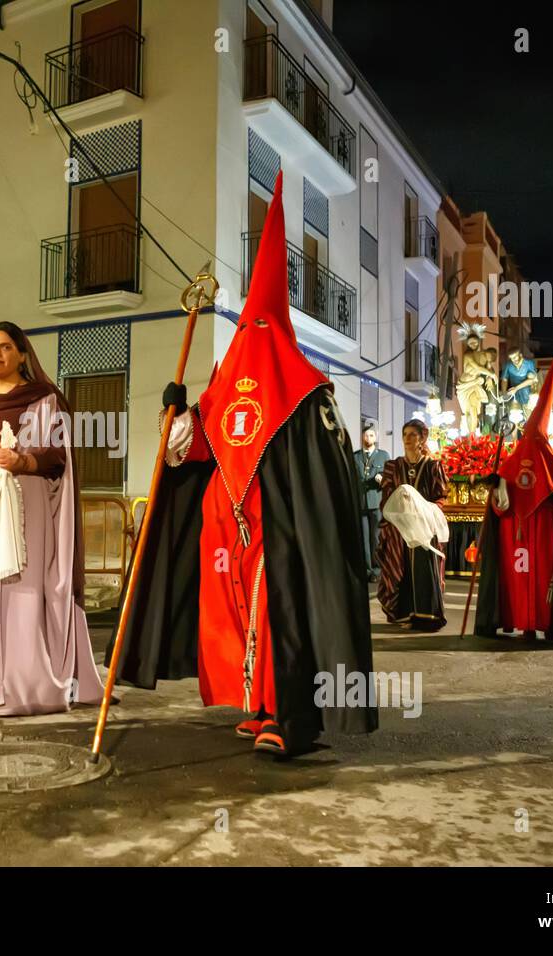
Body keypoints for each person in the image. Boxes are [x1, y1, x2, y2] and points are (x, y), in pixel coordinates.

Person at [114, 172, 375, 756]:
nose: (252, 335)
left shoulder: (307, 391)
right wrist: (175, 416)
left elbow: (322, 481)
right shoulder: (224, 384)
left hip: (281, 533)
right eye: (247, 326)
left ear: (278, 328)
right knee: (237, 623)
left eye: (263, 325)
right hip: (225, 532)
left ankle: (292, 719)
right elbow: (189, 451)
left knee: (283, 618)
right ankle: (258, 706)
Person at [0, 320, 103, 716]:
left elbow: (57, 456)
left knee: (17, 591)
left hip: (26, 512)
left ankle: (18, 685)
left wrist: (25, 460)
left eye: (6, 347)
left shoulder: (43, 400)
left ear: (22, 354)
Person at [475, 361, 553, 643]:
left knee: (540, 582)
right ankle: (518, 621)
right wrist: (496, 483)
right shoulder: (512, 461)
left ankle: (547, 623)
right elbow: (500, 505)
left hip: (545, 534)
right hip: (516, 533)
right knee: (516, 580)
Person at [377, 419, 450, 630]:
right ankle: (402, 613)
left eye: (412, 434)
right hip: (399, 528)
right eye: (405, 434)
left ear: (422, 438)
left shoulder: (433, 466)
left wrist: (425, 511)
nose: (407, 439)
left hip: (424, 528)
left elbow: (440, 497)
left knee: (422, 569)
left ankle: (426, 615)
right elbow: (387, 497)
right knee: (399, 566)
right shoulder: (393, 466)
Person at [354, 422, 389, 583]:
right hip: (360, 503)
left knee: (375, 537)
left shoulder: (383, 456)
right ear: (362, 437)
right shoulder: (355, 456)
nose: (368, 438)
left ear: (376, 437)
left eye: (371, 435)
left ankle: (377, 569)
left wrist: (382, 478)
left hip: (376, 501)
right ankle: (367, 569)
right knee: (363, 537)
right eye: (366, 435)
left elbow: (390, 476)